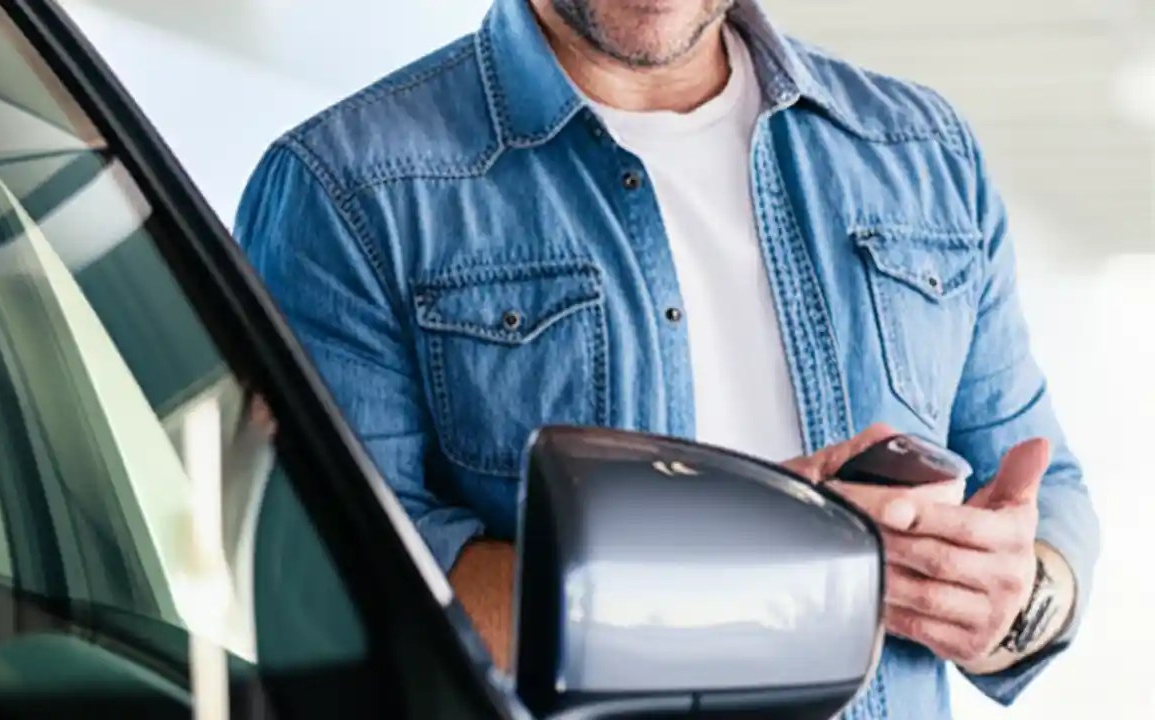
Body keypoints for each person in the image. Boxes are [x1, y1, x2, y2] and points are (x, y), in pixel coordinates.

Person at [234, 0, 1100, 716]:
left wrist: (1013, 604)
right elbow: (334, 599)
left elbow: (1045, 493)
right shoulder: (346, 190)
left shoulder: (922, 155)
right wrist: (744, 574)